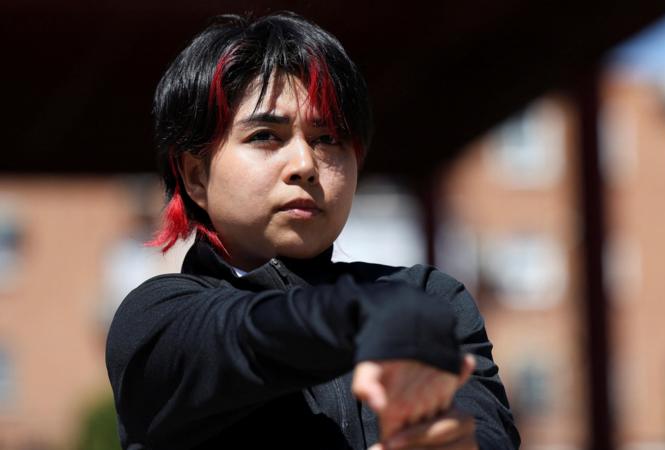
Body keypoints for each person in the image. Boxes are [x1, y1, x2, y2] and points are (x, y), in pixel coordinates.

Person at [105, 11, 520, 450]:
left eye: (328, 139)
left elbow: (488, 432)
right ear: (195, 176)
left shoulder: (431, 297)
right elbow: (237, 336)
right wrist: (360, 318)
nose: (304, 165)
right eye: (266, 135)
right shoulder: (157, 318)